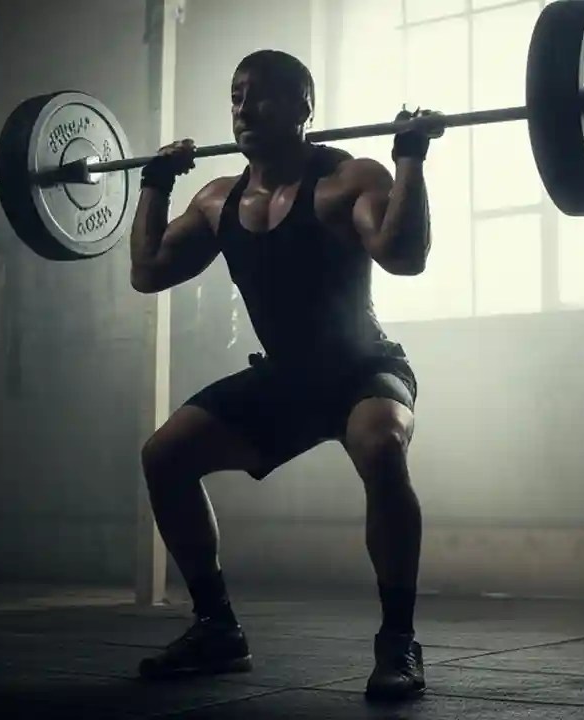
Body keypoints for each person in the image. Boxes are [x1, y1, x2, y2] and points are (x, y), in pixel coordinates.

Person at [128, 48, 442, 702]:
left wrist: (409, 157)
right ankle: (216, 629)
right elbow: (149, 271)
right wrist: (153, 185)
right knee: (164, 456)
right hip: (287, 380)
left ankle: (398, 642)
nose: (244, 107)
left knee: (381, 447)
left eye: (263, 95)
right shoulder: (219, 200)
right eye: (237, 94)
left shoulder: (346, 180)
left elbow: (403, 254)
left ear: (305, 107)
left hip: (363, 368)